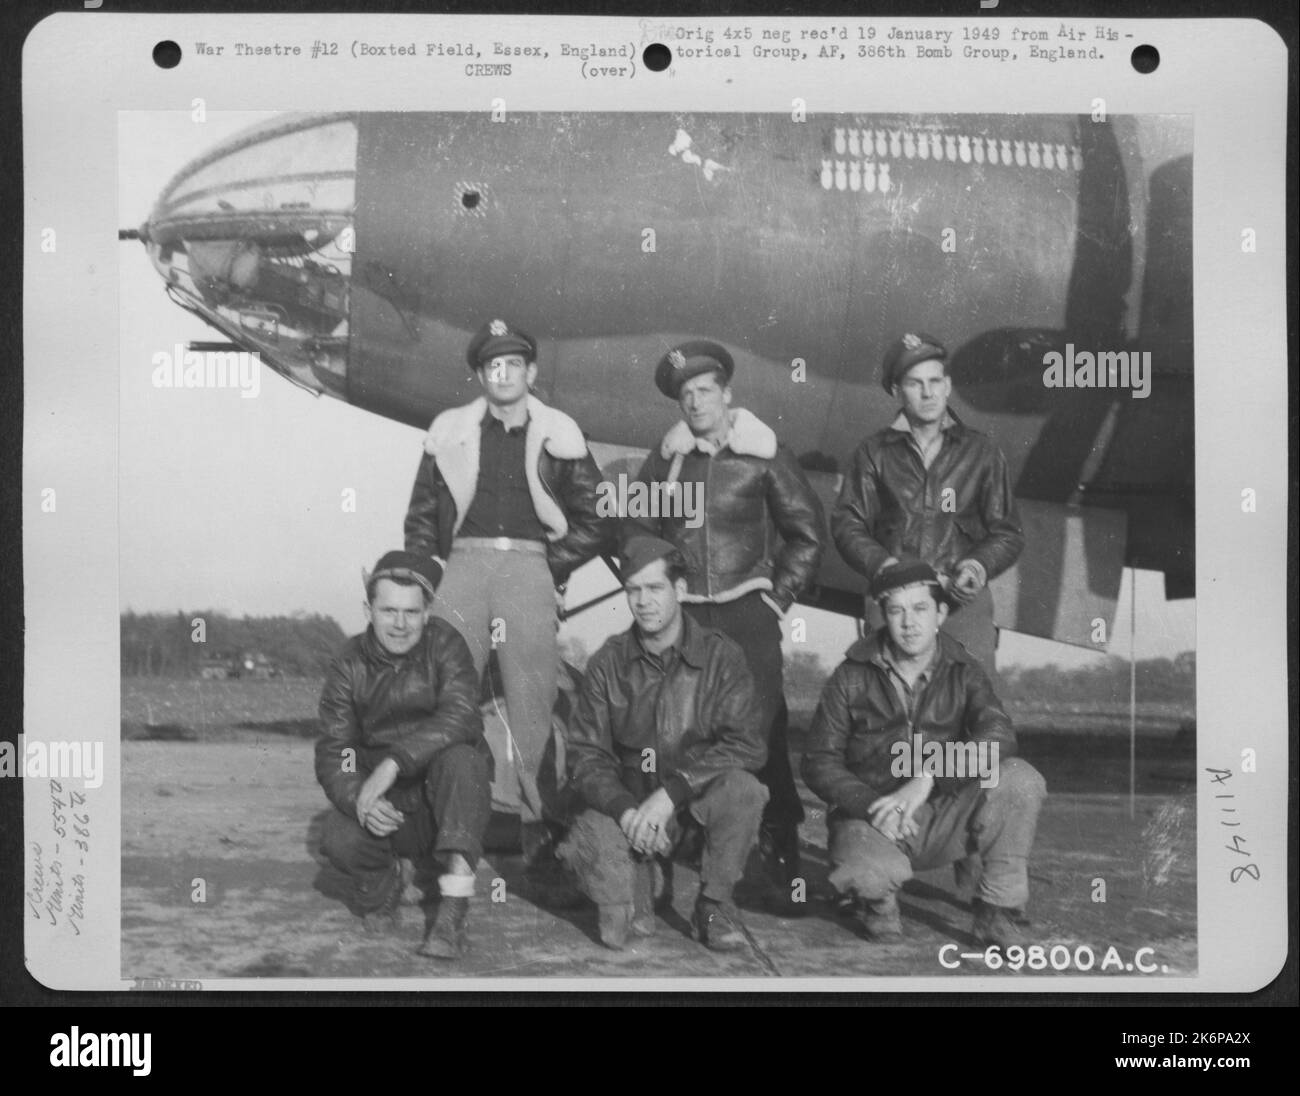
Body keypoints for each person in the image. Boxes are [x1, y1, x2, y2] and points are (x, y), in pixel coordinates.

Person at [403, 318, 613, 895]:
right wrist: (427, 579)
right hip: (462, 567)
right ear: (479, 374)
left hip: (527, 566)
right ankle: (436, 840)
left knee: (531, 706)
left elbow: (596, 516)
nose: (504, 373)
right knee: (445, 701)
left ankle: (540, 842)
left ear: (531, 373)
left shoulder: (561, 433)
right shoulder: (448, 433)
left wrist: (552, 564)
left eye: (514, 364)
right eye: (493, 365)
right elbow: (422, 518)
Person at [623, 340, 824, 911]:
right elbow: (636, 531)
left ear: (726, 395)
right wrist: (659, 595)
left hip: (746, 613)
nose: (695, 403)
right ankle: (674, 846)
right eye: (685, 395)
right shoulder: (666, 460)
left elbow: (807, 533)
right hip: (686, 617)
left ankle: (779, 848)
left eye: (704, 391)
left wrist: (775, 602)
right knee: (675, 728)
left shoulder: (763, 454)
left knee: (762, 733)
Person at [801, 561, 1046, 948]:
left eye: (920, 609)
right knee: (869, 874)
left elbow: (999, 733)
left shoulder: (964, 670)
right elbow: (818, 761)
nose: (909, 623)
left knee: (1018, 778)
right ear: (883, 616)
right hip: (873, 817)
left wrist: (929, 776)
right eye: (896, 611)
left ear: (941, 614)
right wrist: (872, 805)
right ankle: (878, 905)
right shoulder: (850, 676)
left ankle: (996, 912)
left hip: (941, 814)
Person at [558, 536, 769, 952]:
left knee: (745, 790)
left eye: (654, 588)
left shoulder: (721, 657)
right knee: (615, 933)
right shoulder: (608, 661)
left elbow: (747, 745)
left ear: (681, 590)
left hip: (691, 810)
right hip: (628, 810)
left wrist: (672, 793)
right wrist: (626, 810)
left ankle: (713, 904)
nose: (643, 602)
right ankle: (640, 878)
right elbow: (586, 755)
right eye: (633, 590)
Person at [316, 550, 491, 959]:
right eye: (389, 610)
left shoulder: (447, 644)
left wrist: (395, 762)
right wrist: (358, 797)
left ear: (427, 613)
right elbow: (333, 750)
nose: (400, 623)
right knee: (338, 837)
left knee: (465, 761)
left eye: (411, 612)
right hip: (387, 806)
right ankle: (387, 887)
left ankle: (452, 911)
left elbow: (462, 714)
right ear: (368, 609)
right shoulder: (347, 663)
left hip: (440, 800)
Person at [832, 332, 1024, 673]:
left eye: (935, 381)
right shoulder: (873, 453)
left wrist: (975, 568)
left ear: (947, 386)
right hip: (894, 600)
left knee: (974, 709)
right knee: (888, 710)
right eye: (915, 383)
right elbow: (848, 523)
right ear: (896, 391)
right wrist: (884, 567)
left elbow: (1007, 532)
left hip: (962, 605)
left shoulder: (982, 453)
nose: (928, 392)